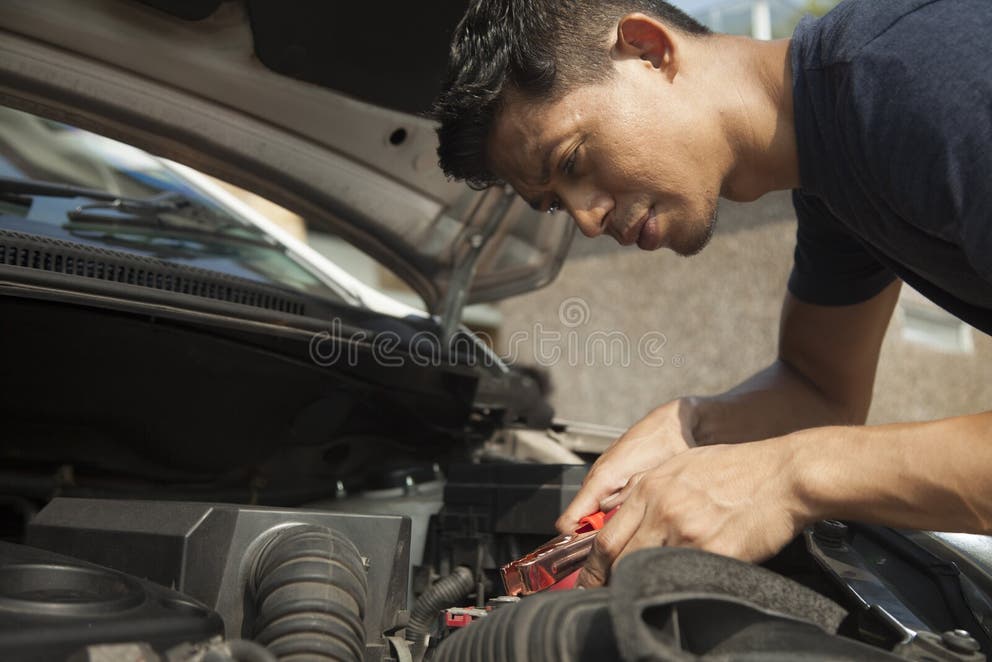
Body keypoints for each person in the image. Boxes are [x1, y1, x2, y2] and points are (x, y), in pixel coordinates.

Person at [430, 0, 992, 588]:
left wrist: (788, 477)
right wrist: (695, 424)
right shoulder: (831, 177)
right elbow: (820, 389)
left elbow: (809, 446)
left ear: (648, 51)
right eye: (554, 203)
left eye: (572, 160)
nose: (587, 220)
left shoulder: (918, 73)